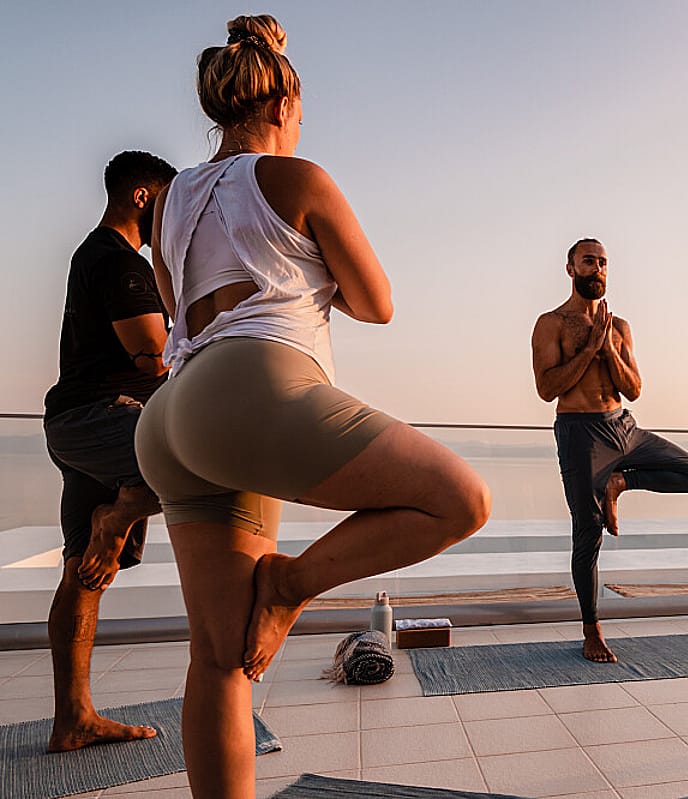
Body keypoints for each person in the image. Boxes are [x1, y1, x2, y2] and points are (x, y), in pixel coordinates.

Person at [134, 15, 490, 798]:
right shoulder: (295, 178)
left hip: (170, 415)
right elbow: (377, 301)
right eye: (302, 113)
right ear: (281, 108)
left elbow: (178, 313)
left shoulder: (169, 201)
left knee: (220, 656)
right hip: (252, 389)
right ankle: (293, 584)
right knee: (458, 498)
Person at [42, 151, 177, 752]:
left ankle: (73, 718)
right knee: (200, 465)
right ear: (143, 197)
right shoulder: (120, 261)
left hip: (77, 425)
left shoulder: (91, 256)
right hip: (105, 419)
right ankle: (117, 515)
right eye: (166, 201)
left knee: (83, 574)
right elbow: (153, 354)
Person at [531, 238, 688, 662]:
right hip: (580, 433)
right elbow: (546, 389)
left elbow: (634, 388)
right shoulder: (551, 323)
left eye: (604, 263)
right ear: (571, 268)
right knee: (588, 531)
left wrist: (608, 347)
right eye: (589, 261)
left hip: (623, 426)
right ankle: (592, 629)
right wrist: (588, 350)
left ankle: (620, 482)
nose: (598, 269)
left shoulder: (620, 326)